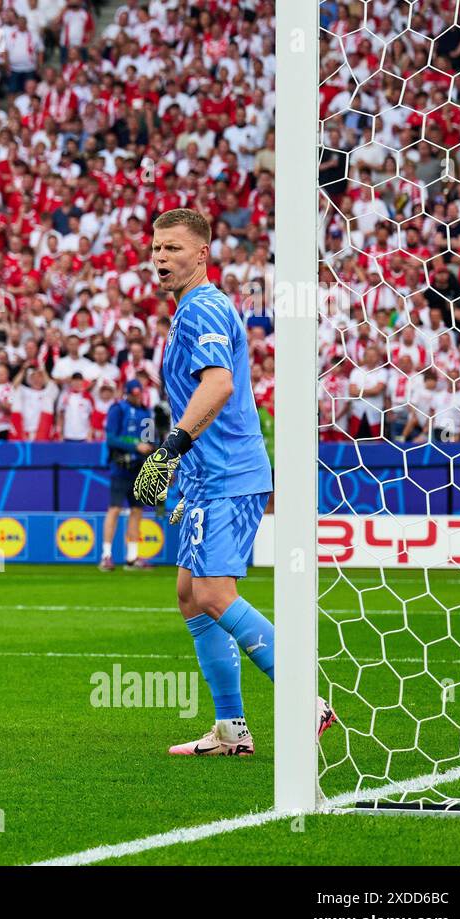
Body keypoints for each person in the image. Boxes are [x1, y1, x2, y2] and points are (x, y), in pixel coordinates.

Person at [135, 209, 335, 757]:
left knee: (214, 594)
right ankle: (231, 730)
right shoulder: (194, 310)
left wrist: (170, 449)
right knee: (189, 595)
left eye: (173, 248)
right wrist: (183, 474)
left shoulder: (202, 307)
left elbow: (218, 386)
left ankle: (305, 699)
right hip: (209, 475)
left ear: (201, 255)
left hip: (227, 473)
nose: (160, 258)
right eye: (155, 248)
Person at [100, 380, 155, 571]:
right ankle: (106, 555)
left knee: (137, 511)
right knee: (114, 509)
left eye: (139, 394)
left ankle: (132, 556)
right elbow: (111, 438)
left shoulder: (146, 413)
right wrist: (135, 446)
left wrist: (152, 448)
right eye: (134, 394)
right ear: (128, 393)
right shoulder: (118, 409)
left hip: (138, 467)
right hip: (120, 465)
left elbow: (149, 441)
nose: (137, 397)